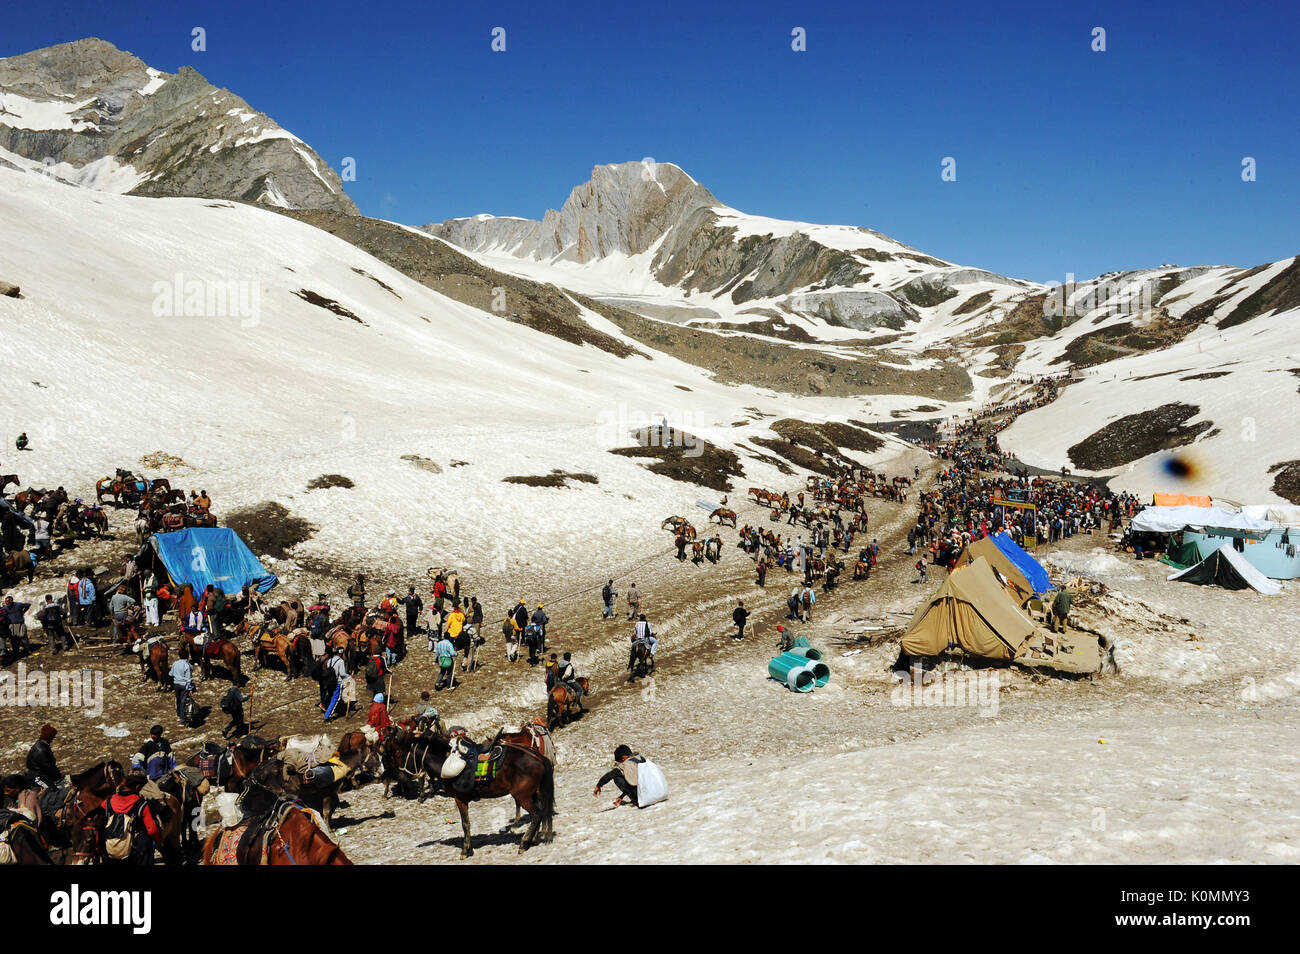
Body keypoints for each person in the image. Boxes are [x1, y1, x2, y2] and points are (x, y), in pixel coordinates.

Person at [103, 775, 162, 866]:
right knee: (147, 840)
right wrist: (158, 840)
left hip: (112, 849)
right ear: (138, 787)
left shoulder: (108, 801)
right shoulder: (141, 803)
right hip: (137, 849)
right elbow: (152, 829)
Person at [26, 725, 62, 789]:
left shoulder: (41, 745)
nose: (53, 739)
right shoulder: (41, 750)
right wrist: (58, 776)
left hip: (40, 775)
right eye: (53, 737)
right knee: (52, 791)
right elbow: (47, 767)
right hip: (38, 777)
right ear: (49, 737)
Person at [170, 647, 195, 727]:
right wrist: (190, 689)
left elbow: (171, 674)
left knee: (178, 699)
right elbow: (189, 679)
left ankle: (178, 712)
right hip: (184, 685)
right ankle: (182, 719)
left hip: (176, 684)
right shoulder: (187, 665)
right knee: (183, 701)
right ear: (187, 656)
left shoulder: (175, 663)